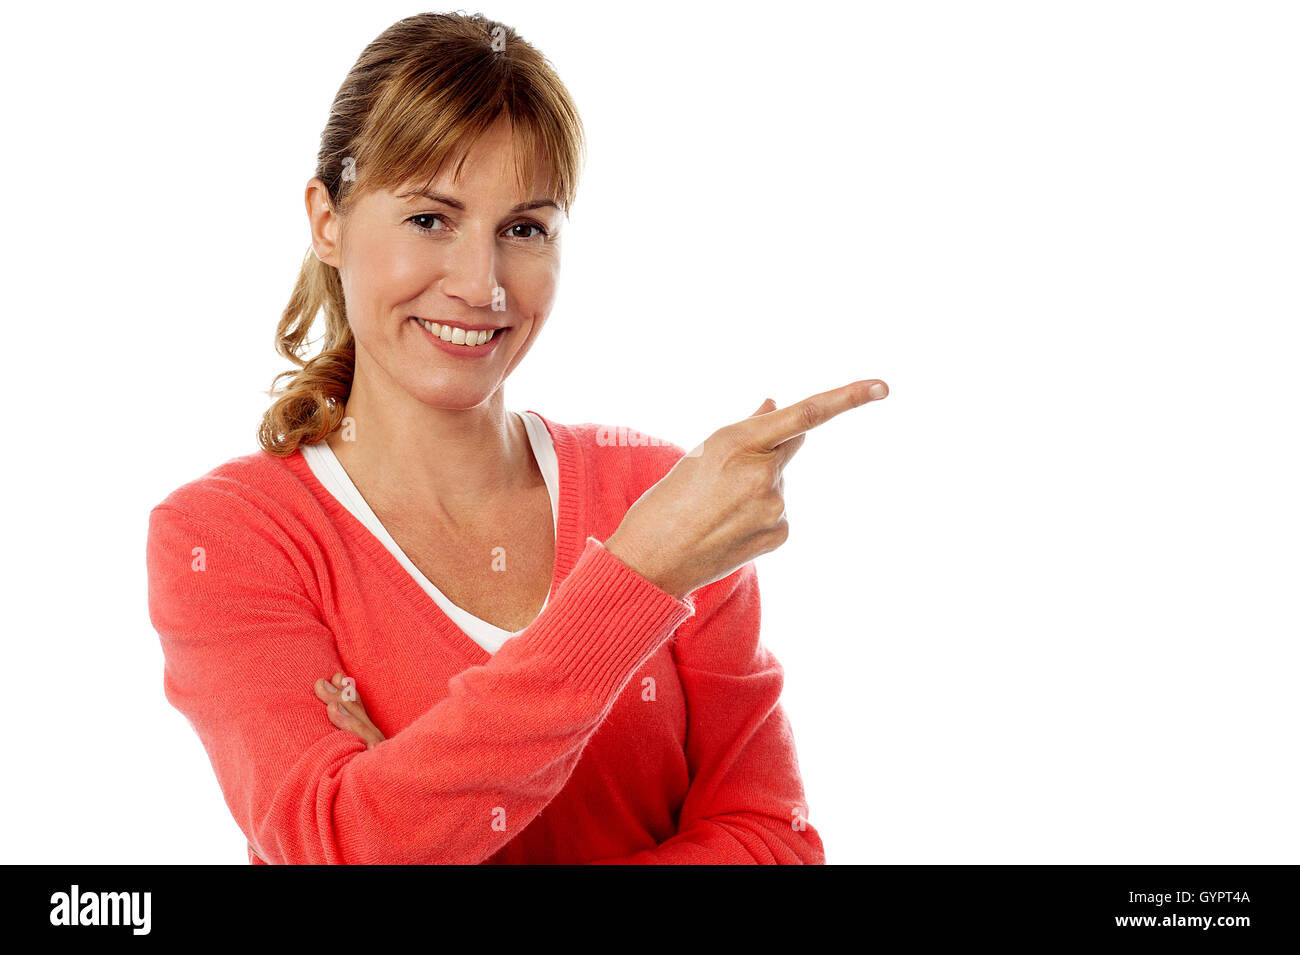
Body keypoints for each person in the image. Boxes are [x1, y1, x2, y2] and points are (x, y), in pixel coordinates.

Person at [145, 11, 888, 865]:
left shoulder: (658, 490)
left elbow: (775, 841)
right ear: (328, 219)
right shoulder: (228, 536)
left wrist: (416, 808)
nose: (480, 284)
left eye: (524, 228)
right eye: (430, 218)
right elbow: (342, 846)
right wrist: (638, 575)